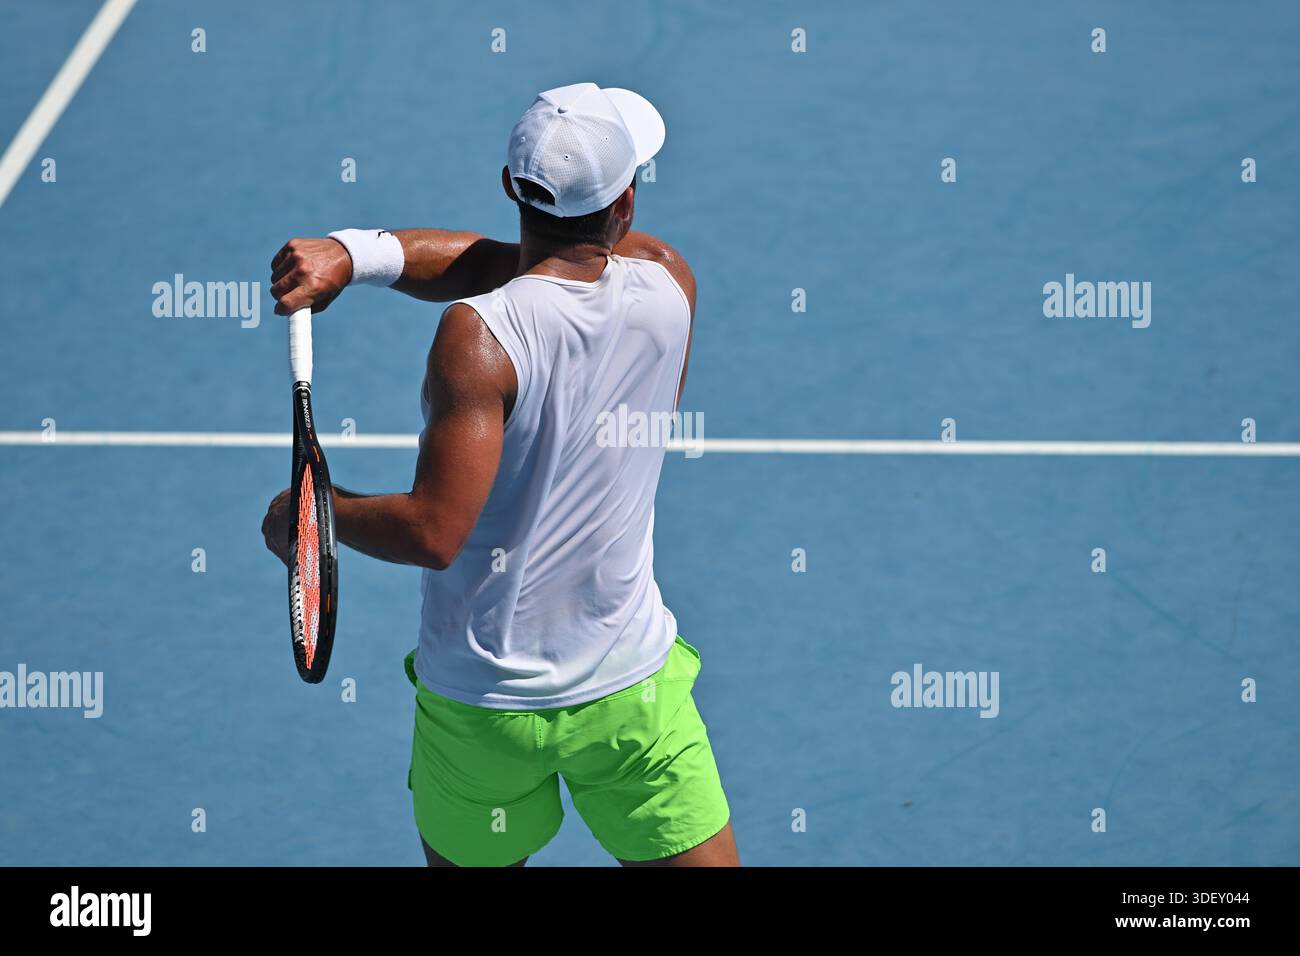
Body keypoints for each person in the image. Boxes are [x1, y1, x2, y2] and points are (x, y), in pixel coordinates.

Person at [261, 83, 738, 867]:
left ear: (511, 187)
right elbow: (518, 267)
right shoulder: (669, 284)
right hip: (632, 698)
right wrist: (355, 255)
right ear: (623, 207)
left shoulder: (477, 335)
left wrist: (314, 515)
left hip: (484, 708)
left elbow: (434, 532)